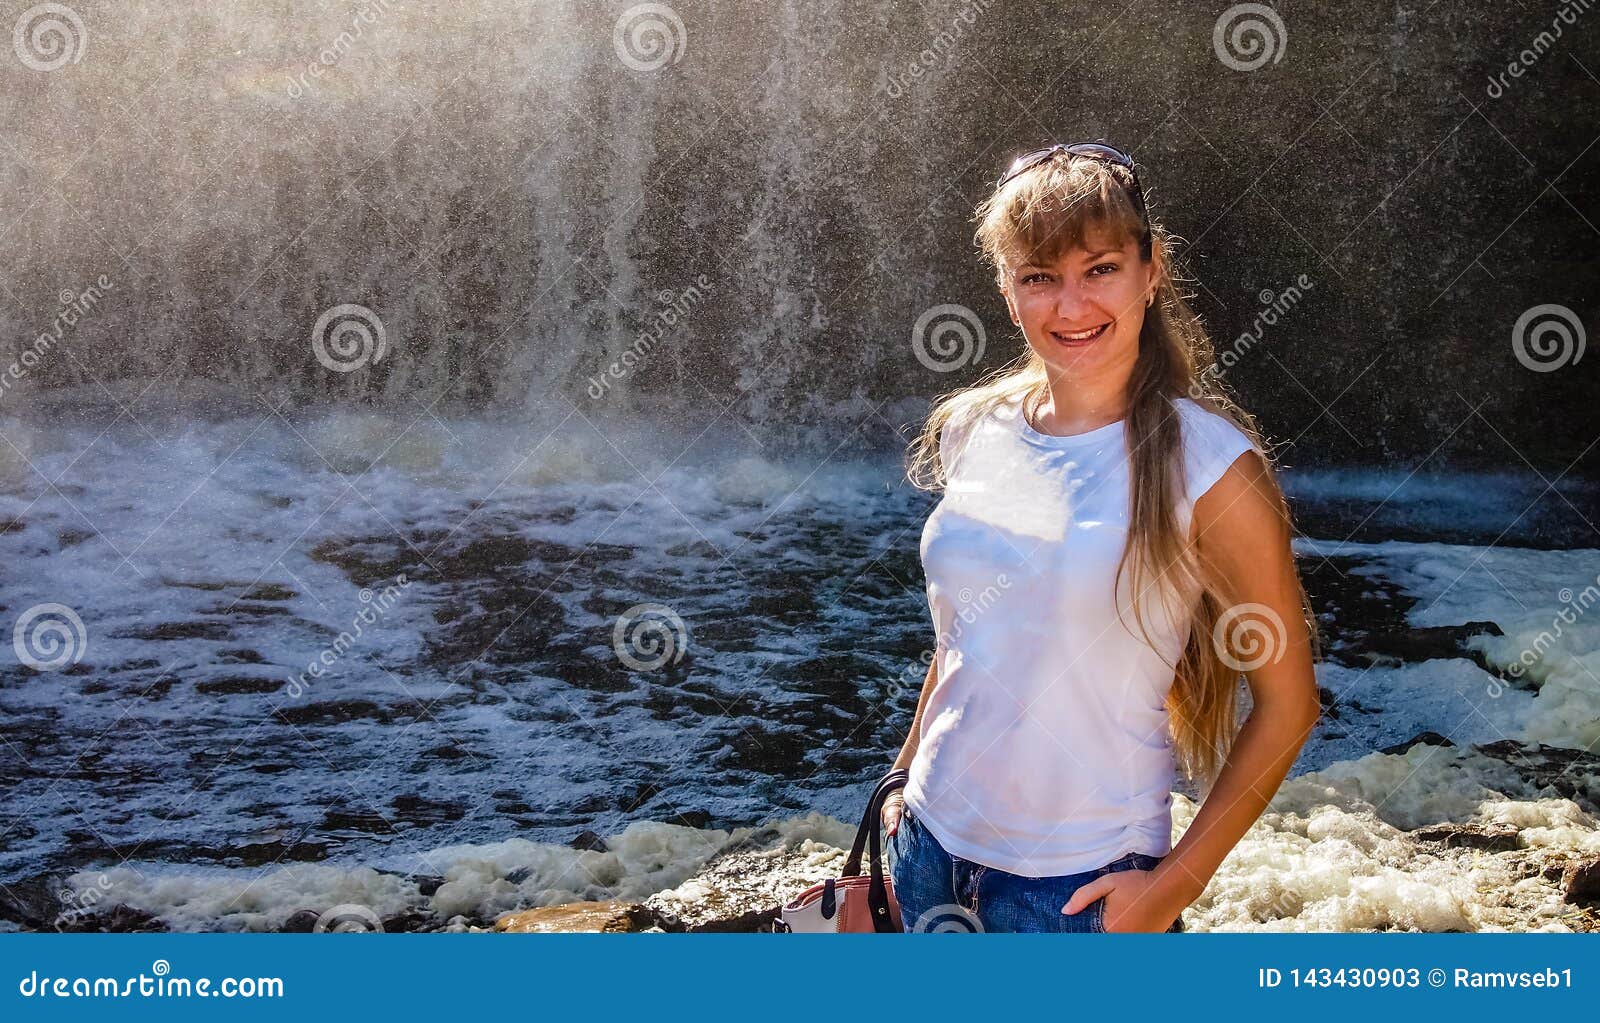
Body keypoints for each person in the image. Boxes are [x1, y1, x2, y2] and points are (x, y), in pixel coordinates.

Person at [884, 142, 1322, 933]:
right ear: (1009, 291)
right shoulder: (972, 428)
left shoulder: (1210, 466)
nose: (1071, 304)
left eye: (1100, 269)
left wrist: (1172, 887)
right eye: (1039, 276)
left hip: (1077, 887)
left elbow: (1290, 705)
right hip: (926, 849)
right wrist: (901, 775)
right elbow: (966, 638)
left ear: (1151, 272)